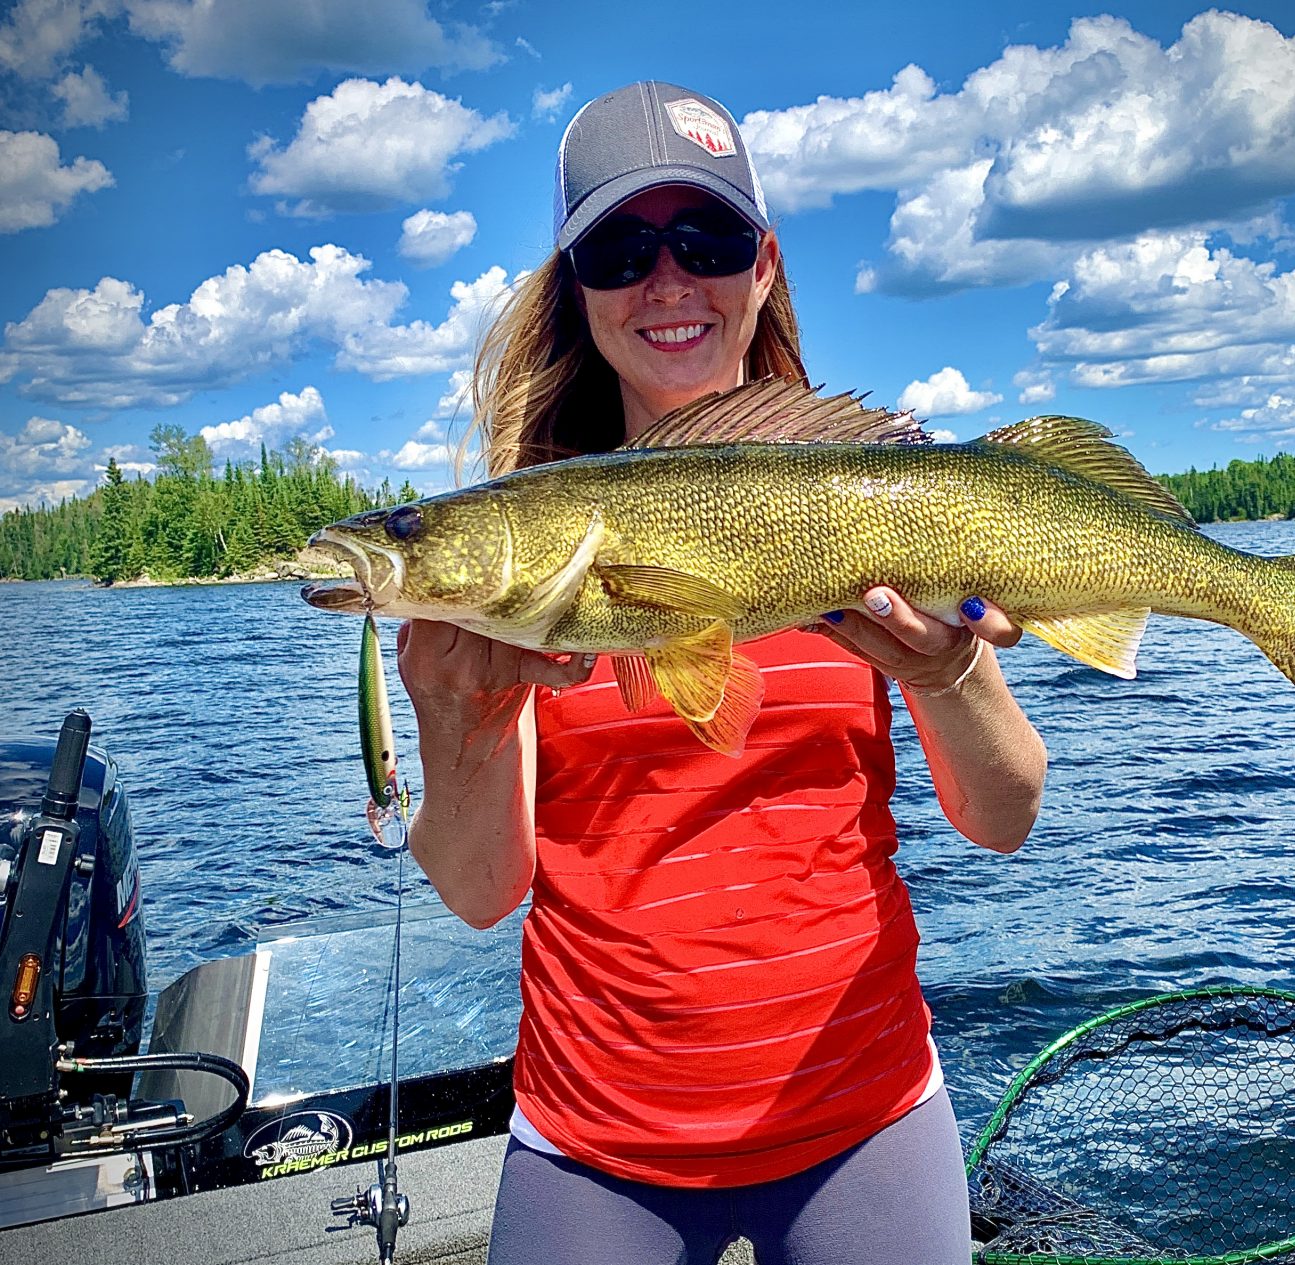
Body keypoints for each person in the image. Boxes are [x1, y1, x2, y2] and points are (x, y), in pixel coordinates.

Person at [398, 81, 1048, 1265]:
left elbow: (1003, 815)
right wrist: (459, 718)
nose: (666, 280)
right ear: (573, 287)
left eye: (704, 238)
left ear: (763, 265)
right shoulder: (529, 567)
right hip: (598, 1138)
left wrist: (950, 674)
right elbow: (486, 887)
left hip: (867, 1110)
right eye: (618, 247)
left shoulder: (868, 500)